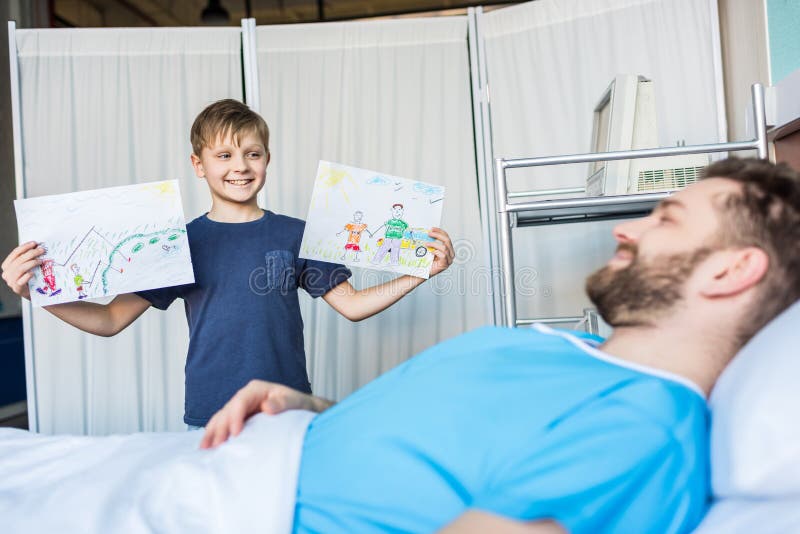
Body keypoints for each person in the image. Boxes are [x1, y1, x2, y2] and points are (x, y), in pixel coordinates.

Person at [200, 158, 800, 533]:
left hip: (243, 507)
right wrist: (312, 410)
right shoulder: (570, 350)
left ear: (731, 270)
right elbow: (444, 443)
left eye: (666, 219)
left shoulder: (642, 429)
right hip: (251, 457)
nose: (626, 226)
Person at [0, 99, 455, 429]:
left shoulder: (297, 234)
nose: (240, 166)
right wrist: (36, 294)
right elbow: (109, 319)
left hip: (286, 406)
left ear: (267, 160)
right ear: (199, 165)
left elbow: (352, 305)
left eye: (252, 154)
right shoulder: (177, 243)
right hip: (211, 410)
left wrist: (419, 271)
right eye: (224, 155)